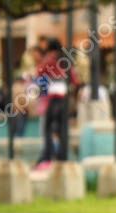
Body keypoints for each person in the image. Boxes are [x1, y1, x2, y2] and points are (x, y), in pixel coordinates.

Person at [35, 37, 79, 169]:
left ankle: (47, 158)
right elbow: (75, 81)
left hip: (51, 99)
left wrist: (42, 102)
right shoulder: (65, 61)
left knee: (47, 129)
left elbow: (40, 78)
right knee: (62, 130)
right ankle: (62, 158)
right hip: (64, 99)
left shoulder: (47, 61)